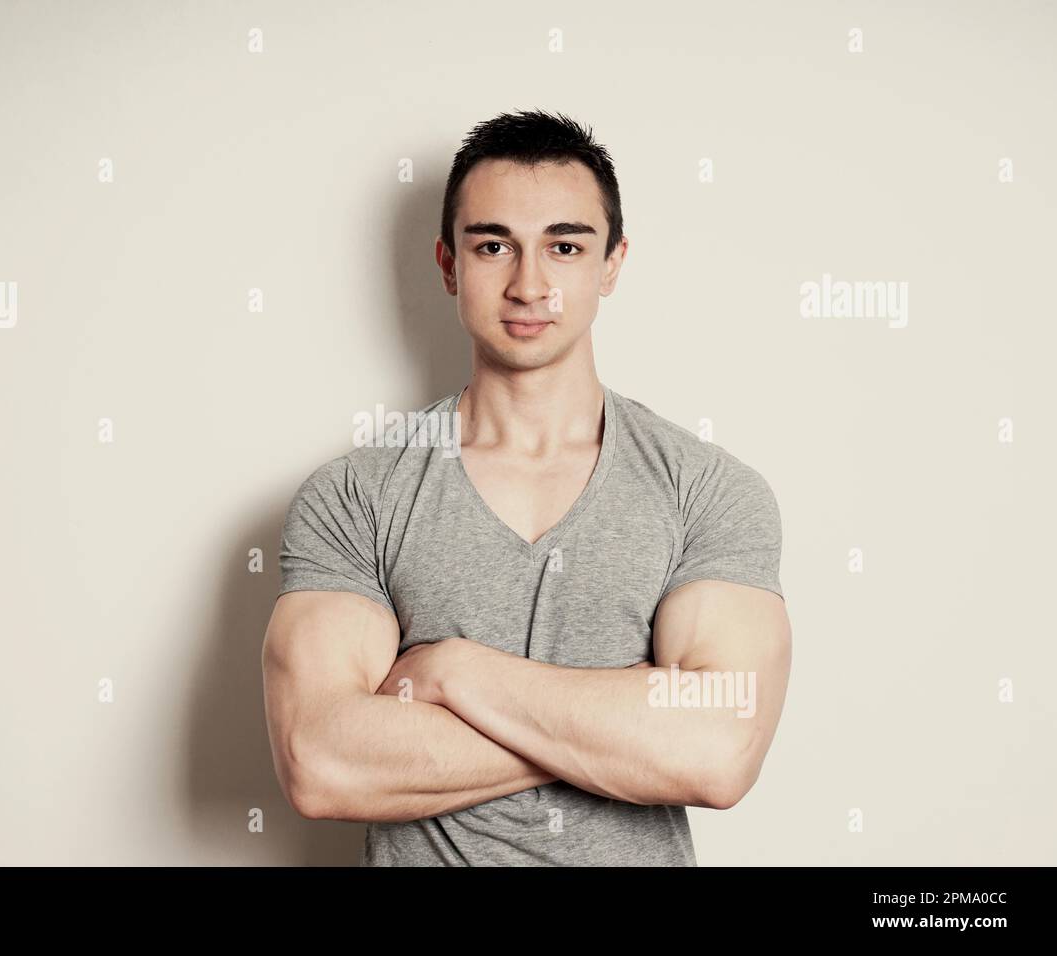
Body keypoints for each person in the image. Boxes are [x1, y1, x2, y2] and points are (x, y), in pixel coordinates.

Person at [261, 109, 792, 866]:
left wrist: (451, 671)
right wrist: (620, 717)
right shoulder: (354, 496)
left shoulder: (708, 491)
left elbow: (719, 750)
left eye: (566, 246)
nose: (530, 284)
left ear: (612, 264)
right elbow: (320, 763)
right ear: (449, 264)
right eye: (493, 246)